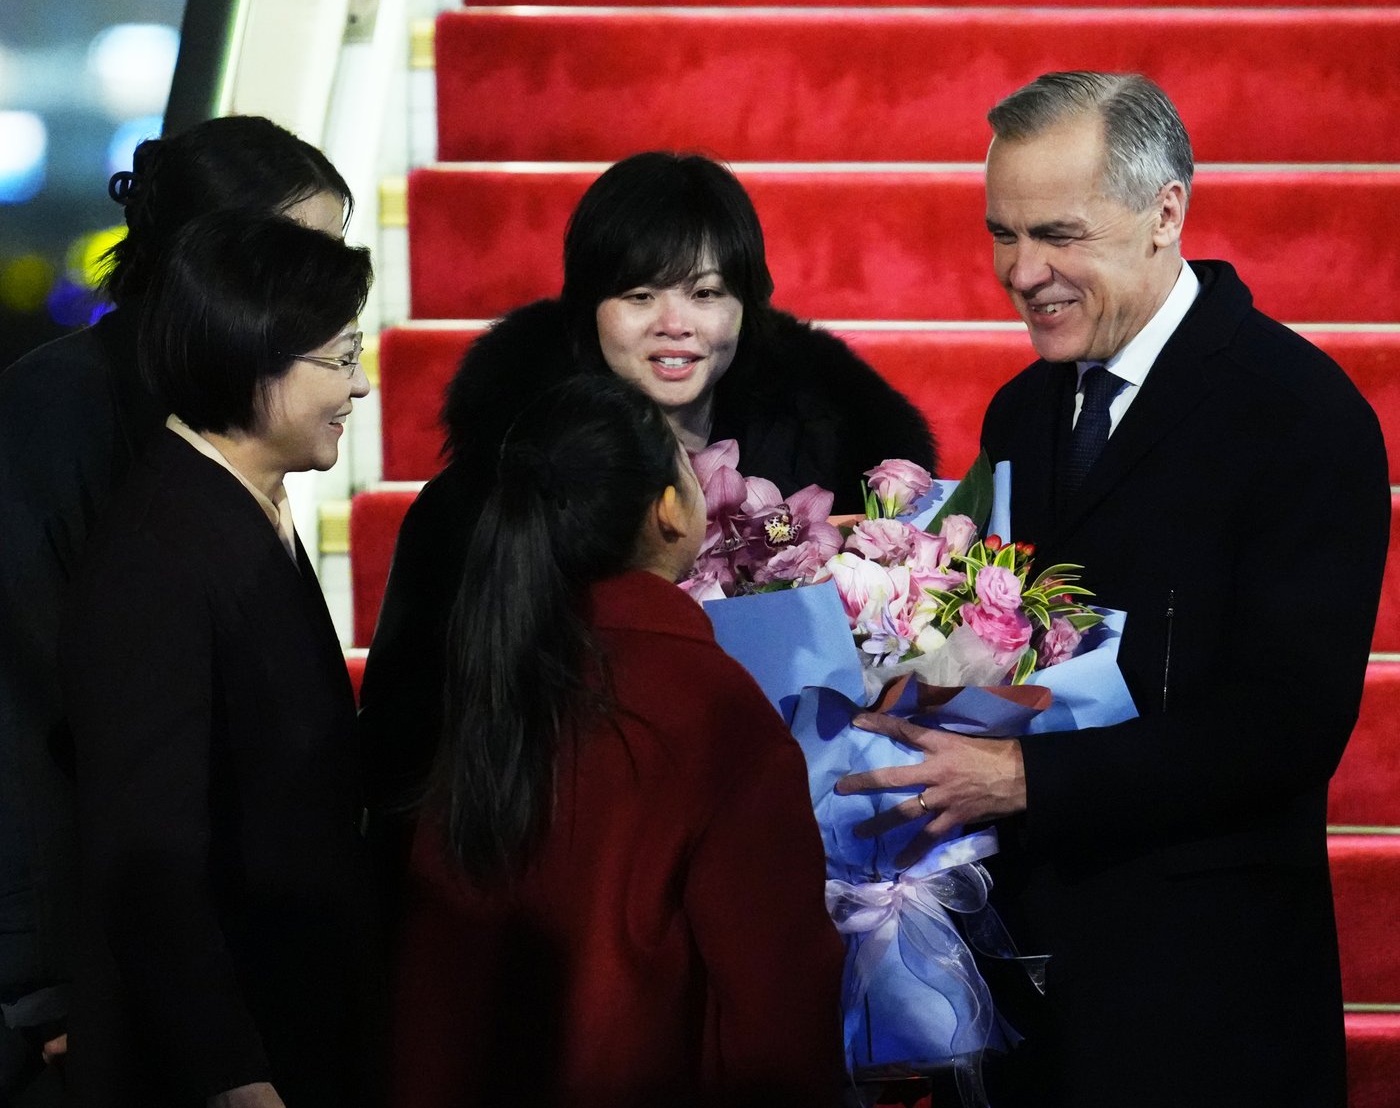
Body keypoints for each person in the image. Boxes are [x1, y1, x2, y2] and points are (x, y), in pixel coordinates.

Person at [839, 72, 1390, 1106]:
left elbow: (1284, 728)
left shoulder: (1300, 415)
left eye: (1056, 234)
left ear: (1163, 212)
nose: (1021, 270)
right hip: (1031, 995)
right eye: (1000, 234)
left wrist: (1019, 782)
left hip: (1208, 1009)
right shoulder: (1018, 411)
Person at [359, 150, 936, 863]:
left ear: (746, 306)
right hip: (562, 865)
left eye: (705, 293)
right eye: (639, 296)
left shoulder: (840, 471)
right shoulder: (492, 491)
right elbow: (404, 735)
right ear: (589, 309)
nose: (675, 324)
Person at [0, 115, 351, 1104]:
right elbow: (30, 721)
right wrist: (47, 986)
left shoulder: (245, 411)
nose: (331, 313)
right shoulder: (56, 416)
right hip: (111, 970)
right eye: (303, 262)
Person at [389, 373, 844, 1108]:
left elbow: (434, 981)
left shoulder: (495, 671)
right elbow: (777, 1008)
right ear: (668, 511)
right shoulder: (712, 706)